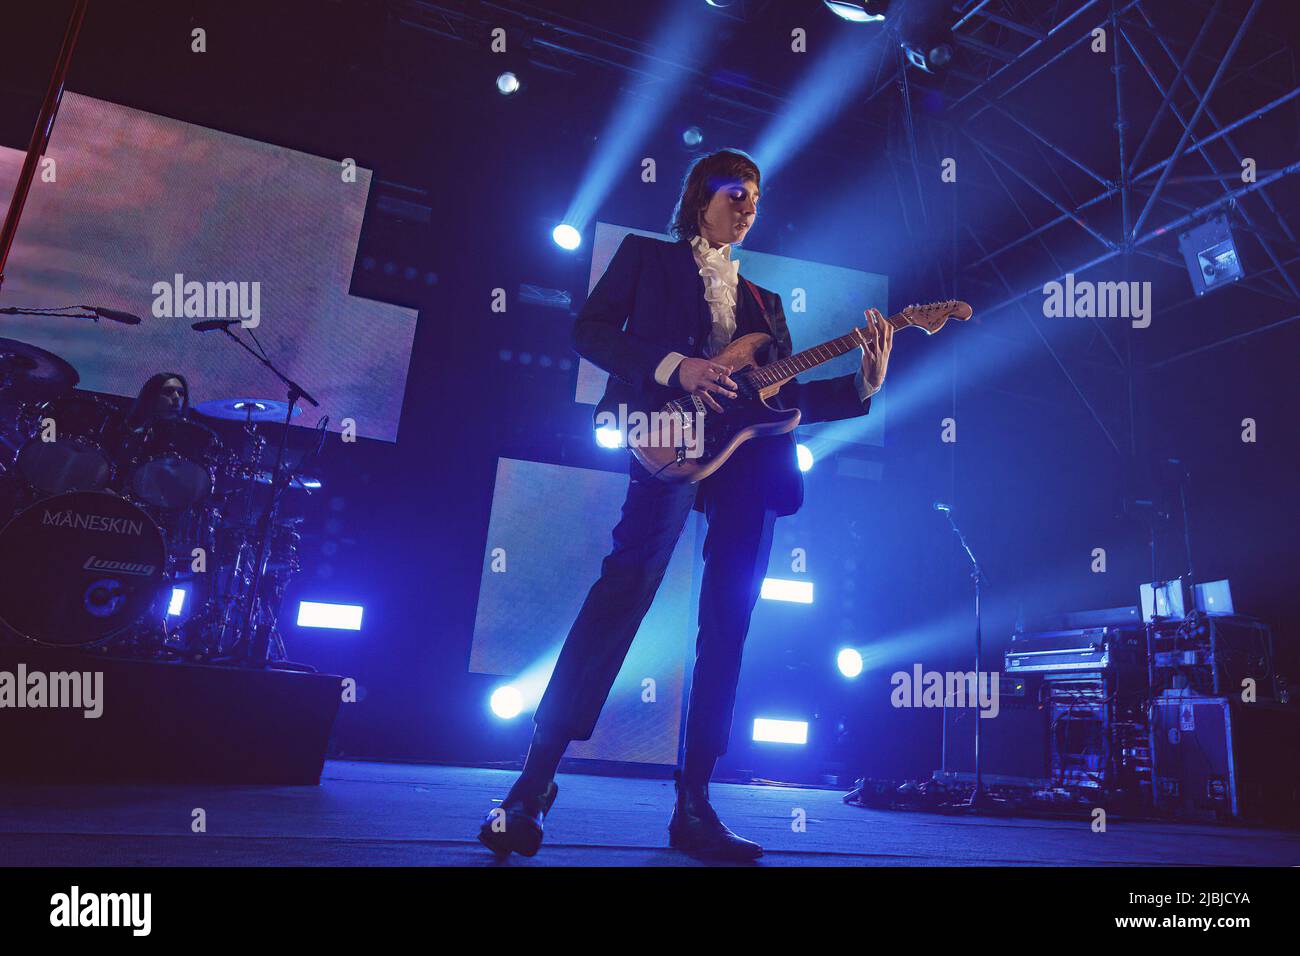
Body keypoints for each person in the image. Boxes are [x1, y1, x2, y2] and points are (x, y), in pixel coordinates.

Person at [479, 148, 894, 861]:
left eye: (756, 196)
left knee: (729, 620)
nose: (748, 206)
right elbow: (590, 331)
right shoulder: (648, 259)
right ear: (701, 196)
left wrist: (861, 387)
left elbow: (780, 397)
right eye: (736, 192)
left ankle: (695, 804)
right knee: (624, 591)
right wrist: (679, 368)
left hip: (748, 464)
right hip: (667, 437)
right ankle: (532, 783)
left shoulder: (764, 303)